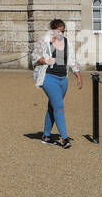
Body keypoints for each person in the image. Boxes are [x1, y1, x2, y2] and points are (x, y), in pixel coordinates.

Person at [32, 18, 83, 149]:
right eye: (59, 31)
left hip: (63, 78)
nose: (61, 34)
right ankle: (65, 138)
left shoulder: (67, 42)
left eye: (63, 31)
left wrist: (78, 75)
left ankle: (46, 136)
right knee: (59, 107)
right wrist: (46, 61)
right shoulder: (45, 40)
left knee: (53, 107)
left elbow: (72, 59)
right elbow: (35, 57)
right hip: (48, 77)